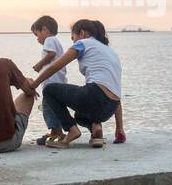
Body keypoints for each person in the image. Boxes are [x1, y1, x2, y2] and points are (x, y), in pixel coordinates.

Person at [31, 20, 122, 148]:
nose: (73, 42)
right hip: (110, 108)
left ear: (82, 33)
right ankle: (96, 129)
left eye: (73, 37)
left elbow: (55, 66)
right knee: (80, 116)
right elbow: (115, 90)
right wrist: (119, 128)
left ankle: (71, 130)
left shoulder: (82, 43)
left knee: (49, 90)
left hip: (95, 95)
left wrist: (34, 85)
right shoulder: (110, 52)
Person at [31, 15, 69, 145]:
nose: (37, 39)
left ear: (45, 29)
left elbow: (51, 54)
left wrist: (39, 65)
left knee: (47, 107)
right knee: (56, 107)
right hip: (58, 82)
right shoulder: (55, 41)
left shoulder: (50, 39)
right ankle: (58, 131)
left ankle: (55, 130)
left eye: (37, 34)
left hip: (51, 83)